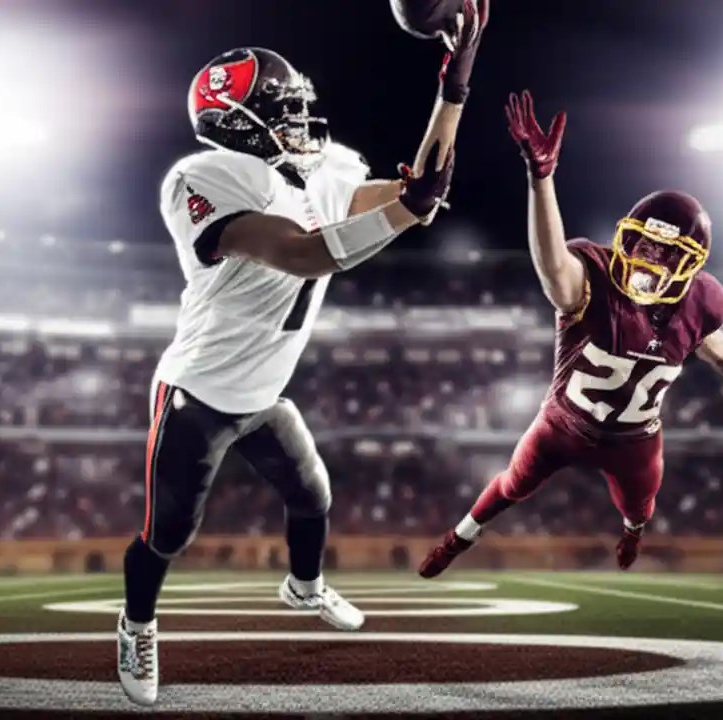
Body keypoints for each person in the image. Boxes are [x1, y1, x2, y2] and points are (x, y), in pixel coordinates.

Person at [118, 2, 489, 706]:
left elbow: (416, 193)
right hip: (199, 392)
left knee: (313, 494)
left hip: (264, 396)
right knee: (168, 533)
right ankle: (137, 624)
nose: (299, 118)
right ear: (235, 122)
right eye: (281, 108)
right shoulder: (204, 177)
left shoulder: (323, 171)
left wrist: (454, 84)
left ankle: (304, 587)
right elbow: (300, 253)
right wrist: (407, 208)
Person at [418, 90, 723, 579]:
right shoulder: (593, 278)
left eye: (665, 252)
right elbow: (553, 268)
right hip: (562, 424)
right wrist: (542, 178)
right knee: (512, 486)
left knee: (640, 506)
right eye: (643, 243)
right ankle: (457, 539)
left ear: (689, 265)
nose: (648, 258)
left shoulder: (699, 303)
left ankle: (631, 532)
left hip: (634, 439)